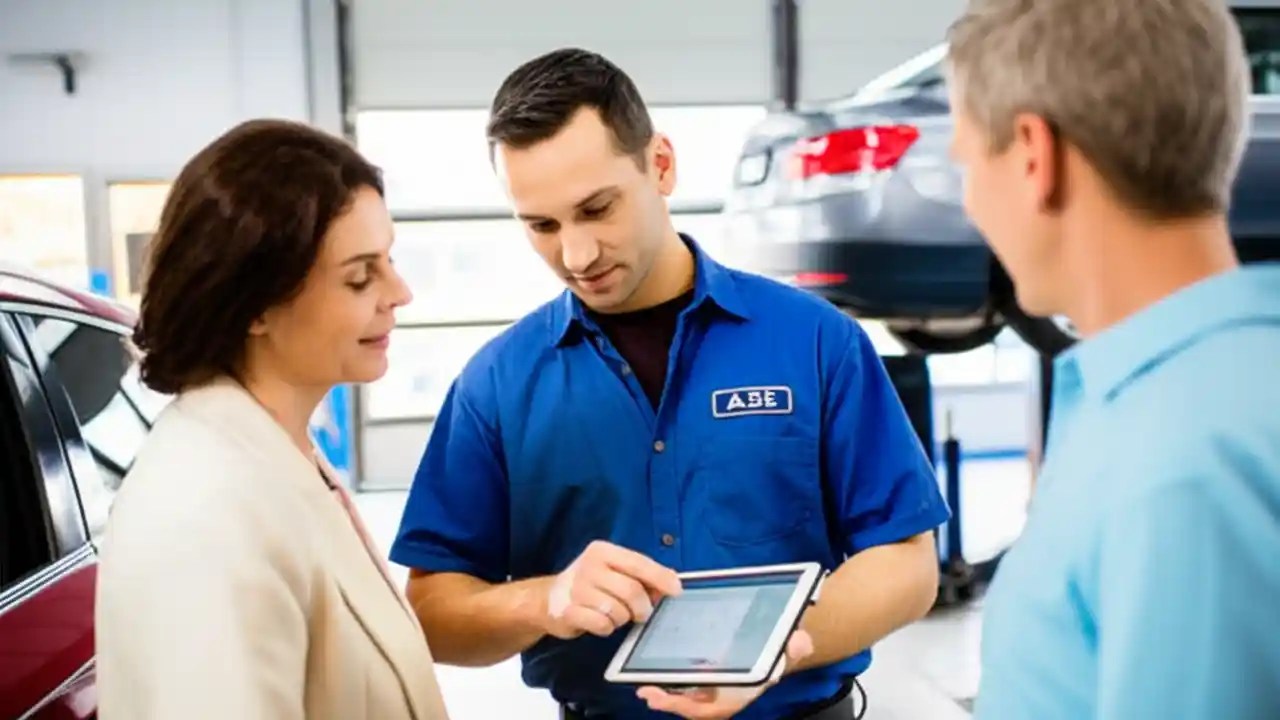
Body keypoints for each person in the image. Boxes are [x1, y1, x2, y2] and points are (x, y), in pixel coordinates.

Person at [391, 48, 950, 720]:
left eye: (597, 208)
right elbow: (432, 612)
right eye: (542, 225)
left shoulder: (816, 341)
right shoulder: (495, 385)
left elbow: (907, 562)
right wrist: (543, 600)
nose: (576, 254)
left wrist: (778, 648)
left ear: (660, 165)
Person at [945, 1, 1280, 718]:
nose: (970, 203)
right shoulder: (1184, 396)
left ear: (1034, 155)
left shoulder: (1183, 462)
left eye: (966, 162)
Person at [95, 119, 451, 720]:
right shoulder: (208, 513)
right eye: (360, 276)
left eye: (388, 260)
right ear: (255, 306)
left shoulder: (277, 454)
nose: (399, 292)